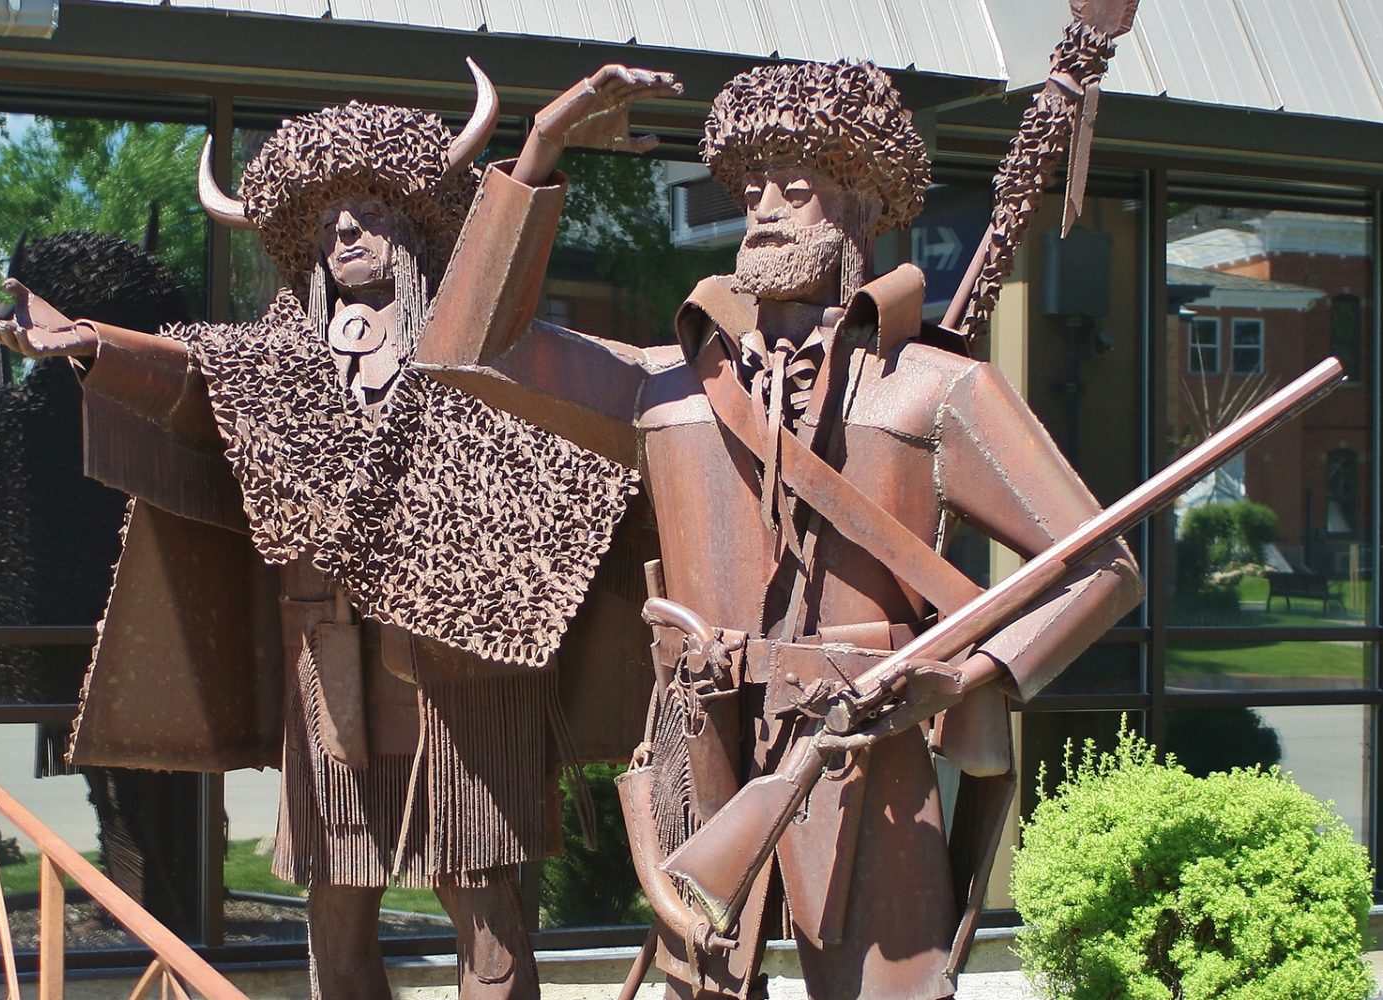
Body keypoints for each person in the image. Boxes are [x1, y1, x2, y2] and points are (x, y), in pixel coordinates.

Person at [415, 58, 1144, 999]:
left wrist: (964, 679)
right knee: (700, 988)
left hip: (862, 745)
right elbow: (468, 348)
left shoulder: (937, 387)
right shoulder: (661, 384)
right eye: (750, 187)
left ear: (863, 202)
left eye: (795, 188)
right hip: (700, 735)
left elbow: (1100, 568)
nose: (762, 208)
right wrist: (541, 153)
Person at [0, 70, 637, 1000]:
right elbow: (191, 374)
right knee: (336, 904)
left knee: (481, 899)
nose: (346, 231)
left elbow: (501, 257)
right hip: (326, 673)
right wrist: (90, 341)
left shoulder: (470, 335)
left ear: (419, 221)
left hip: (462, 665)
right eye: (324, 222)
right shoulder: (276, 361)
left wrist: (541, 145)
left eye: (370, 209)